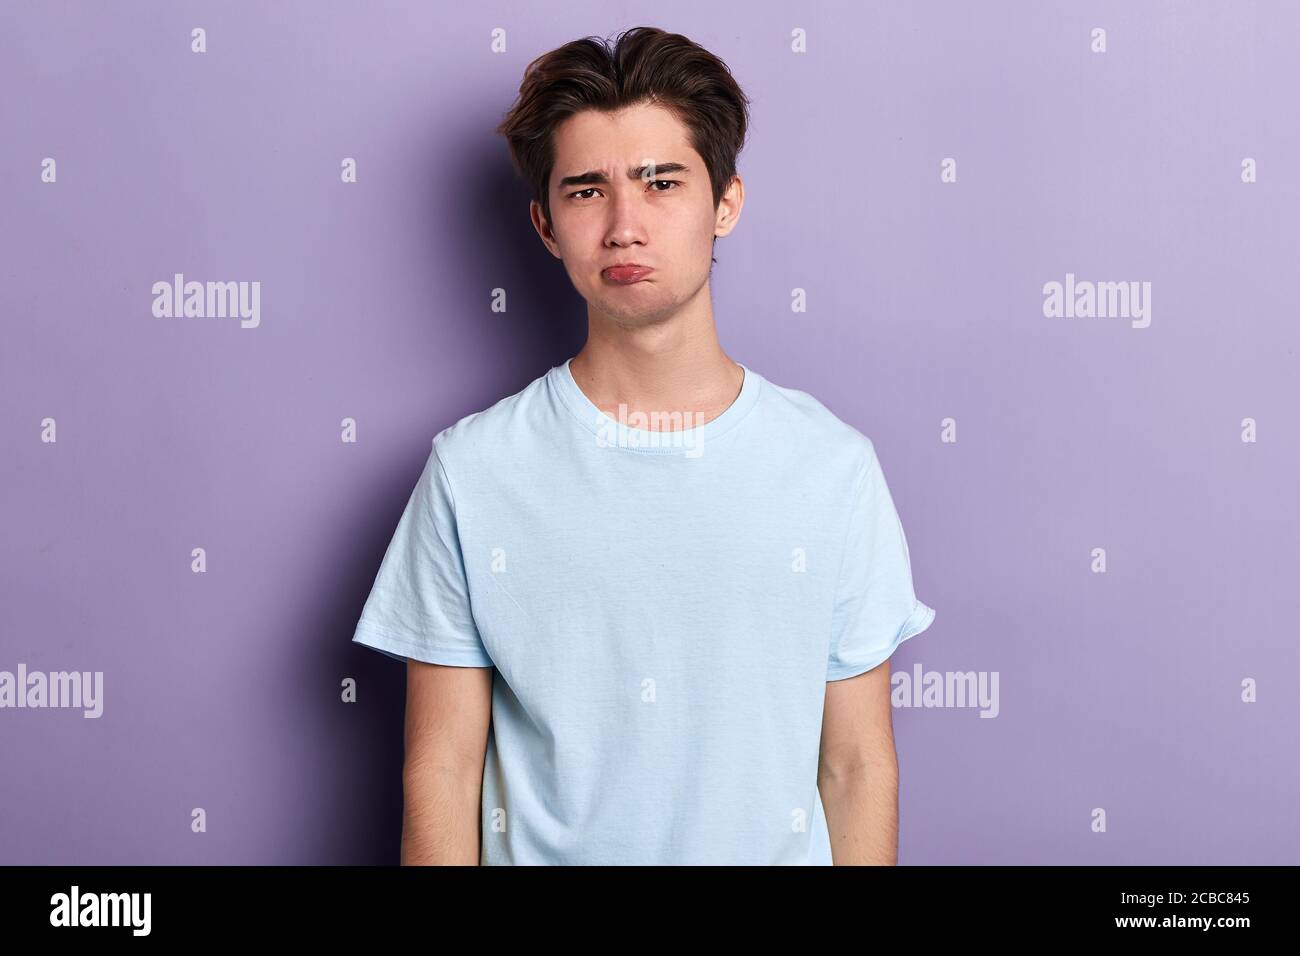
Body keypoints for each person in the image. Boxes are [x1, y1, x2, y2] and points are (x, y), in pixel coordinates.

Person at [351, 26, 936, 865]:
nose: (625, 225)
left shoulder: (831, 468)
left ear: (725, 202)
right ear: (546, 225)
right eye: (587, 191)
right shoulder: (473, 472)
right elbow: (441, 771)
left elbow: (855, 765)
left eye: (661, 182)